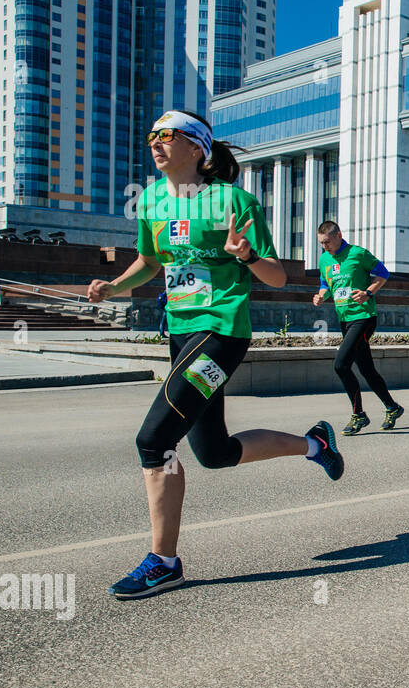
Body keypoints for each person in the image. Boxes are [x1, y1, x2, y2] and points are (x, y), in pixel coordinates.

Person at [87, 110, 343, 599]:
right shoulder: (153, 200)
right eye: (152, 136)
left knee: (153, 439)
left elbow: (276, 276)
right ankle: (317, 444)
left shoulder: (233, 201)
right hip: (181, 334)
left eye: (167, 136)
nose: (155, 143)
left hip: (222, 333)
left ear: (197, 148)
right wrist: (113, 286)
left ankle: (164, 562)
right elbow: (150, 261)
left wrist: (245, 256)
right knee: (215, 452)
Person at [313, 221, 404, 434]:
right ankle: (392, 407)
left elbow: (383, 274)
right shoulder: (324, 259)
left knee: (341, 365)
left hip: (363, 317)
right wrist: (320, 296)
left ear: (338, 236)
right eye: (321, 243)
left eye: (327, 242)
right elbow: (326, 284)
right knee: (366, 369)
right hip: (344, 319)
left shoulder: (357, 253)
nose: (324, 246)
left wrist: (368, 292)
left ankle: (358, 415)